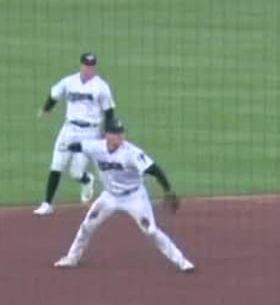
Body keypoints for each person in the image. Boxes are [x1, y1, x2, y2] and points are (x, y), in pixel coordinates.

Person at [53, 121, 194, 272]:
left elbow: (154, 169)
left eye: (121, 133)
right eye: (115, 133)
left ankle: (182, 262)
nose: (119, 136)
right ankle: (72, 258)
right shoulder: (97, 147)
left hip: (134, 197)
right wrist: (66, 146)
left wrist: (167, 189)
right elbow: (79, 146)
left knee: (151, 231)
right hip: (109, 196)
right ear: (107, 135)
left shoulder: (131, 153)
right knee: (87, 225)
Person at [35, 51, 115, 216]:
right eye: (86, 65)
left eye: (92, 66)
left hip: (90, 132)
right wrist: (45, 110)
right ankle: (47, 204)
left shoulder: (101, 87)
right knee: (57, 164)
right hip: (69, 129)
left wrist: (108, 133)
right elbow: (54, 95)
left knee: (76, 172)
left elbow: (109, 112)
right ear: (81, 65)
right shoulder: (69, 82)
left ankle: (87, 180)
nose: (89, 69)